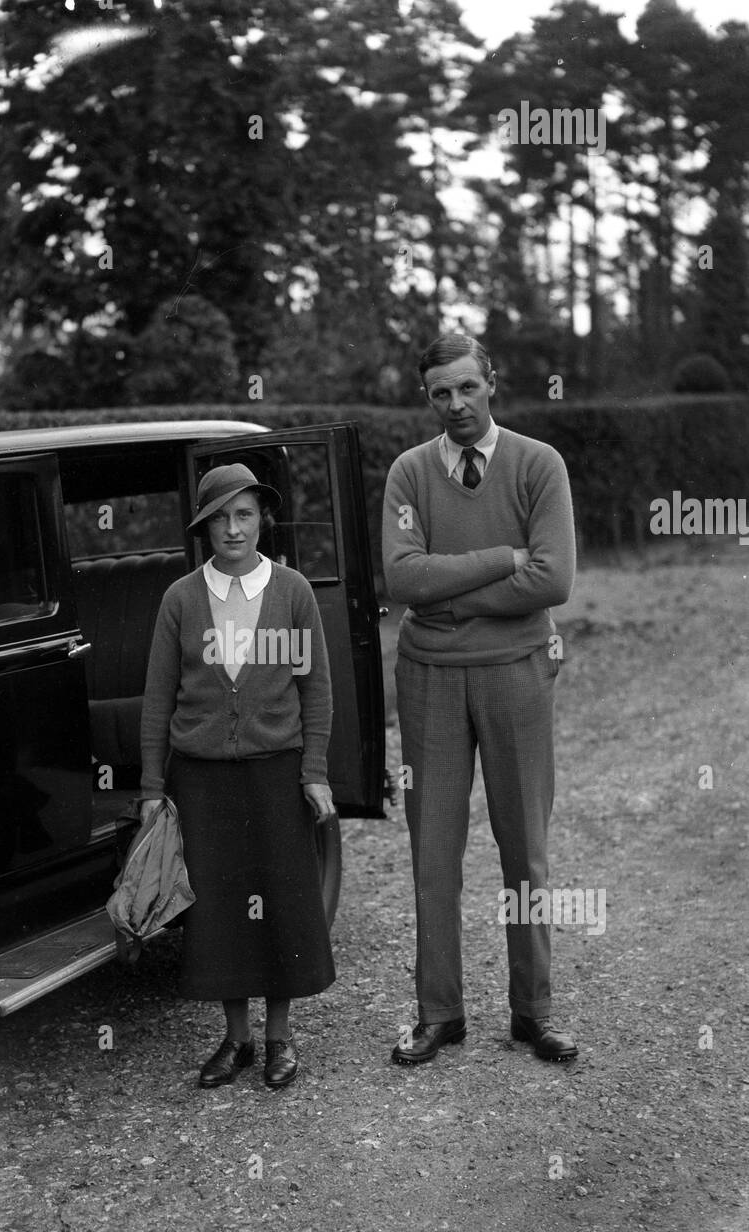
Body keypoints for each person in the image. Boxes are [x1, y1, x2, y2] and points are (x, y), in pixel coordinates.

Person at [382, 332, 578, 1065]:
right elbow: (402, 580)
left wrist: (453, 595)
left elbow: (553, 581)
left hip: (516, 672)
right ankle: (439, 1014)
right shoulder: (407, 475)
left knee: (524, 850)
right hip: (427, 677)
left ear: (490, 384)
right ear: (426, 398)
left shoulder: (537, 465)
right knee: (432, 850)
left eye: (466, 387)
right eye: (440, 392)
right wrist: (501, 559)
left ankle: (532, 1014)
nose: (455, 404)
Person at [140, 462, 336, 1090]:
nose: (234, 528)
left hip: (275, 774)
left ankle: (279, 1040)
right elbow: (157, 698)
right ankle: (237, 1039)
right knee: (221, 907)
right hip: (203, 780)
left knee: (279, 898)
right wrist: (151, 788)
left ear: (261, 520)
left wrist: (315, 771)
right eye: (221, 517)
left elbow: (317, 691)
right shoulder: (181, 598)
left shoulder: (292, 591)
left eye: (245, 514)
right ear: (205, 526)